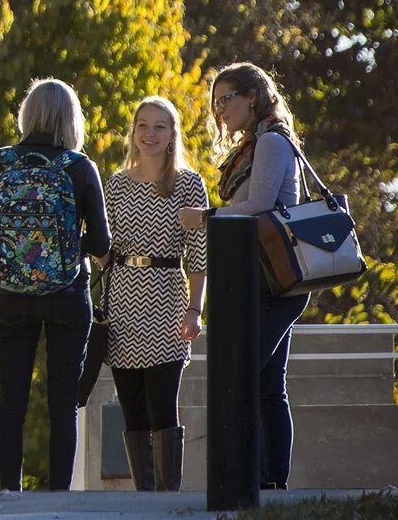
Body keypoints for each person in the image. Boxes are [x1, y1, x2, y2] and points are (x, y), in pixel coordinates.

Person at [0, 77, 110, 494]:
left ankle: (8, 491)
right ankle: (58, 495)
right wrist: (68, 247)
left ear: (27, 114)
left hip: (12, 296)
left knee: (11, 402)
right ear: (72, 119)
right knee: (62, 404)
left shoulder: (1, 162)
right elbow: (101, 242)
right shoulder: (78, 166)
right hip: (68, 295)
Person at [179, 62, 307, 489]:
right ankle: (271, 483)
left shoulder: (272, 140)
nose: (219, 110)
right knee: (269, 383)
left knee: (246, 375)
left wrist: (206, 217)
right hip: (263, 277)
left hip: (277, 279)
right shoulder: (255, 143)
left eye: (225, 99)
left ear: (251, 96)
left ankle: (257, 480)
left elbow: (259, 205)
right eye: (215, 103)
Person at [103, 96, 209, 490]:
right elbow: (104, 248)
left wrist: (195, 310)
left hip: (167, 300)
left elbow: (199, 254)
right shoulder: (115, 184)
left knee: (163, 406)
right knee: (132, 412)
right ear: (133, 133)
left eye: (159, 126)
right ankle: (143, 498)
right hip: (121, 300)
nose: (149, 133)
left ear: (171, 135)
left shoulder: (188, 183)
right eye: (142, 125)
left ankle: (168, 498)